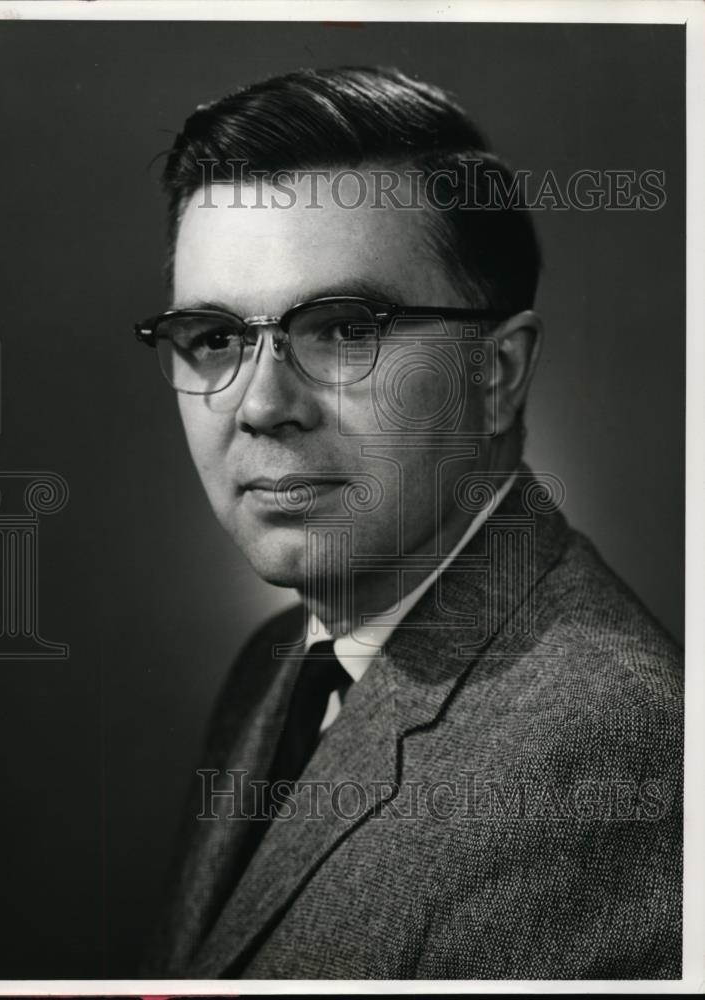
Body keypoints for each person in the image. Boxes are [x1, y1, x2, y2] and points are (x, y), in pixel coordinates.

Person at [136, 67, 682, 980]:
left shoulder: (611, 777)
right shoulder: (281, 666)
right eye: (217, 338)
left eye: (345, 329)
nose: (263, 404)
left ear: (497, 373)